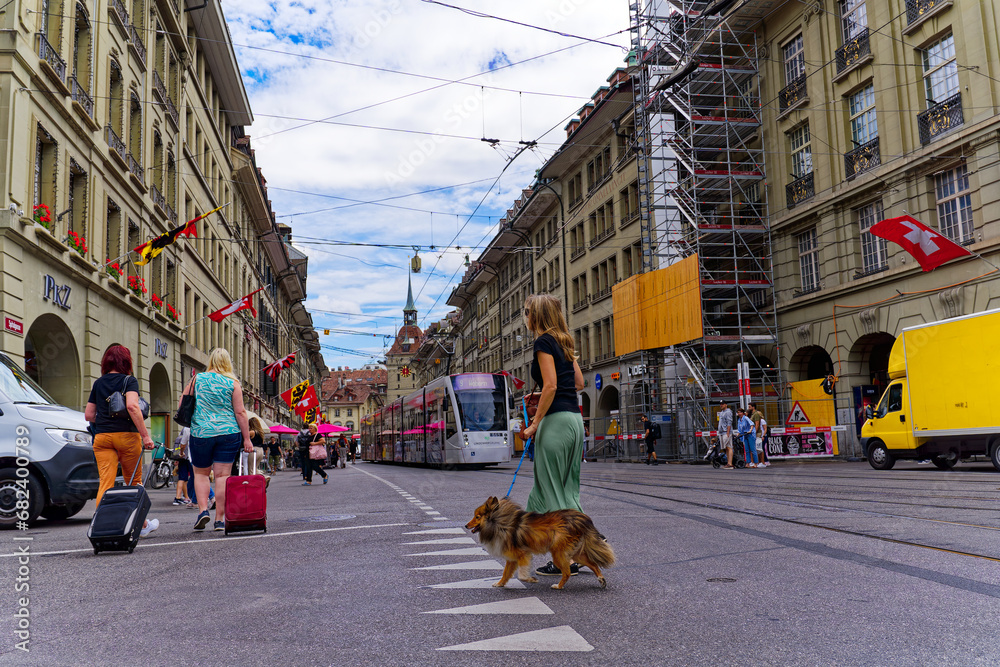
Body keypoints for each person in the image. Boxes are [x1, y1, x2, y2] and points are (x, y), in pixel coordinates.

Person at [519, 294, 587, 577]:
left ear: (536, 315)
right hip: (574, 421)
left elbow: (550, 386)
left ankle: (572, 555)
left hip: (556, 424)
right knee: (561, 489)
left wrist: (534, 423)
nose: (525, 317)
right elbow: (579, 383)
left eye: (526, 311)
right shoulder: (564, 340)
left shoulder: (544, 342)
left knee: (553, 491)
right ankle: (582, 543)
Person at [84, 343, 158, 538]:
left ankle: (101, 527)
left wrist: (105, 421)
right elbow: (133, 407)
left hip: (102, 438)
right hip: (127, 436)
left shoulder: (98, 383)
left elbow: (89, 415)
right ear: (126, 361)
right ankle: (142, 525)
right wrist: (146, 436)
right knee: (134, 481)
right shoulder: (129, 381)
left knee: (105, 484)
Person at [186, 348, 253, 531]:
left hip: (201, 432)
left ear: (211, 361)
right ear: (227, 362)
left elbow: (183, 403)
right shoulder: (233, 383)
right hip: (228, 432)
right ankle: (220, 519)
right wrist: (247, 439)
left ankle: (202, 511)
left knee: (201, 474)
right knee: (223, 476)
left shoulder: (197, 379)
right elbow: (240, 412)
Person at [173, 427, 193, 506]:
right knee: (195, 477)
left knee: (182, 478)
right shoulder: (190, 428)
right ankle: (190, 497)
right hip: (189, 457)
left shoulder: (183, 429)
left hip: (182, 458)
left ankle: (179, 497)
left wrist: (179, 455)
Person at [748, 402, 769, 468]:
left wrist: (755, 433)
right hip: (755, 434)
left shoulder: (757, 415)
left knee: (759, 448)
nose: (749, 408)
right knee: (756, 449)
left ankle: (762, 462)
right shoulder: (753, 415)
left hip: (758, 434)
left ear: (753, 407)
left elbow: (758, 425)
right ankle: (757, 462)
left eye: (750, 407)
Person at [718, 400, 735, 469]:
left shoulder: (728, 412)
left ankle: (730, 463)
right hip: (722, 432)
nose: (721, 405)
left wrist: (728, 433)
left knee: (729, 447)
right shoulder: (722, 413)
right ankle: (728, 462)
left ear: (726, 405)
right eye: (720, 404)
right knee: (725, 448)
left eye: (722, 404)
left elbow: (729, 422)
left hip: (726, 432)